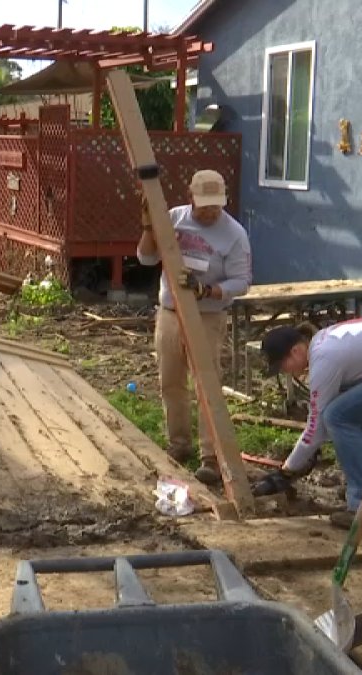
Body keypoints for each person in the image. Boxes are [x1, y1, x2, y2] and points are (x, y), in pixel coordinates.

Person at [136, 169, 253, 485]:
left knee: (206, 384)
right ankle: (179, 443)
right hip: (171, 312)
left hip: (208, 316)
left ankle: (210, 456)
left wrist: (208, 290)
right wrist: (150, 227)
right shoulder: (173, 218)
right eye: (205, 205)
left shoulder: (234, 234)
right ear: (190, 198)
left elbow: (242, 282)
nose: (212, 211)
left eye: (217, 205)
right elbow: (146, 259)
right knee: (171, 381)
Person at [253, 318, 362, 529]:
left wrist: (287, 470)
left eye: (282, 365)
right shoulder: (324, 342)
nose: (285, 372)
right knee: (358, 412)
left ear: (297, 351)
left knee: (337, 416)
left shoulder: (324, 358)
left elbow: (317, 427)